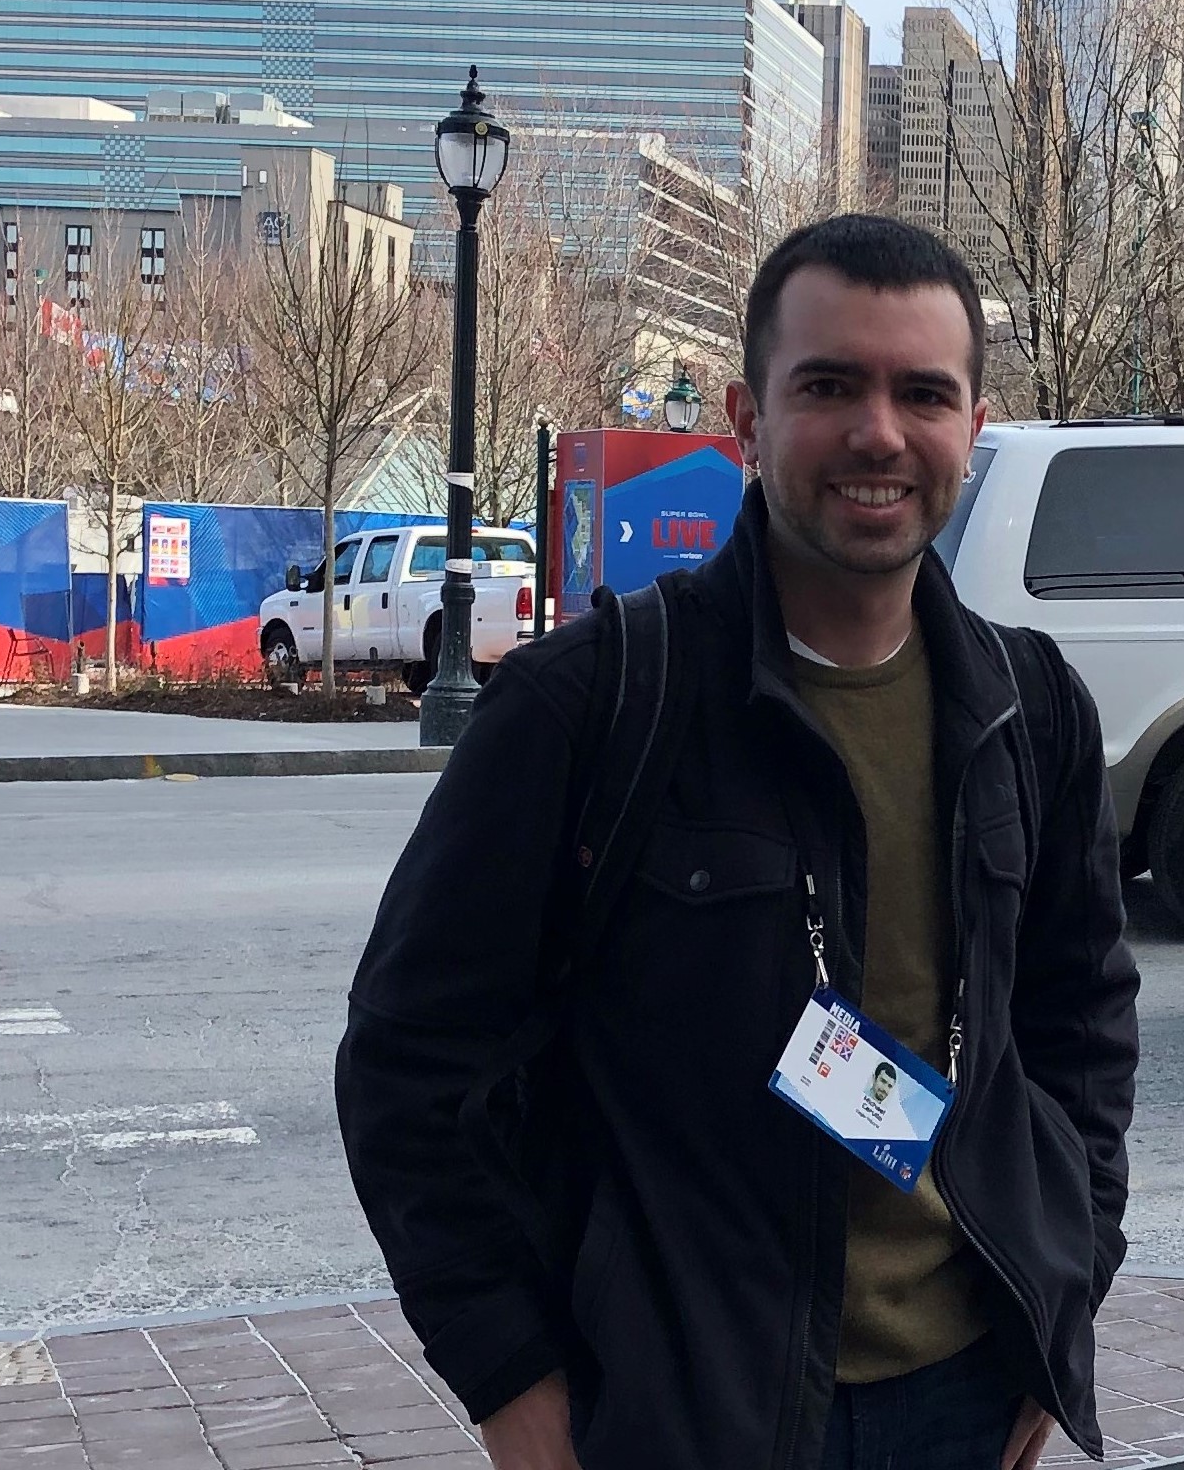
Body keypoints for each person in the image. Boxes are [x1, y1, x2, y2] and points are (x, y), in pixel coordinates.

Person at [337, 215, 1139, 1470]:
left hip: (963, 1391)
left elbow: (1080, 1024)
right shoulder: (590, 700)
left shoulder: (1029, 709)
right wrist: (509, 1374)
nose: (880, 431)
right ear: (747, 419)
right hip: (676, 1406)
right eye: (829, 385)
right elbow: (406, 1063)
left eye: (923, 392)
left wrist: (1064, 1291)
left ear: (971, 427)